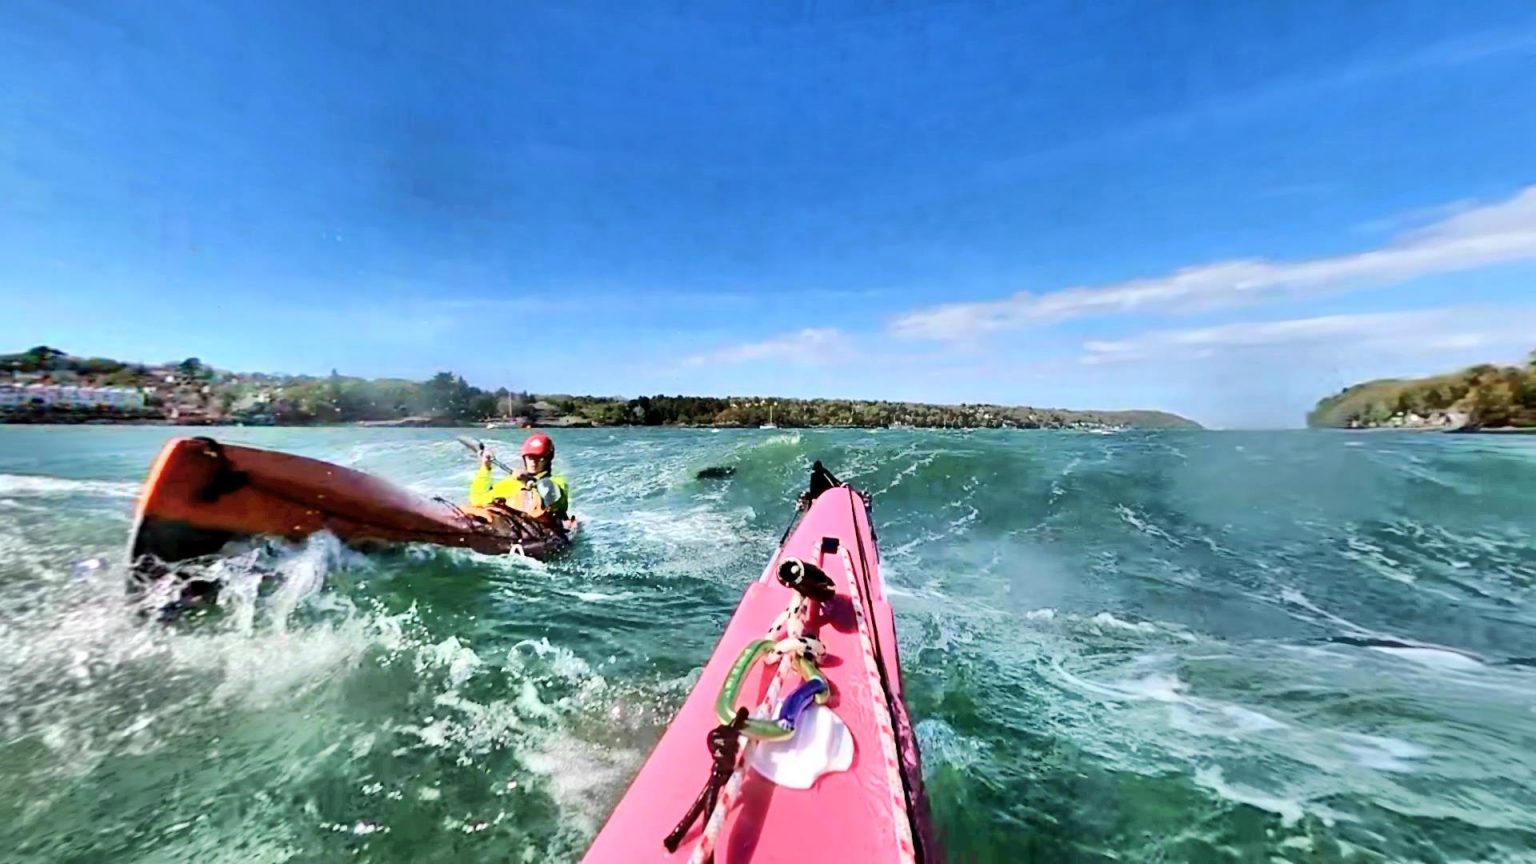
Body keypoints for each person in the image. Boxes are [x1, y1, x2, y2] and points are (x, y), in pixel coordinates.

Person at [470, 432, 570, 523]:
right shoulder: (510, 484)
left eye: (540, 458)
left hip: (545, 529)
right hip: (513, 529)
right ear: (524, 458)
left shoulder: (557, 482)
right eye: (530, 457)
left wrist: (529, 482)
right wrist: (486, 467)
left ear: (548, 459)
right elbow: (478, 499)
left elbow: (556, 503)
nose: (533, 462)